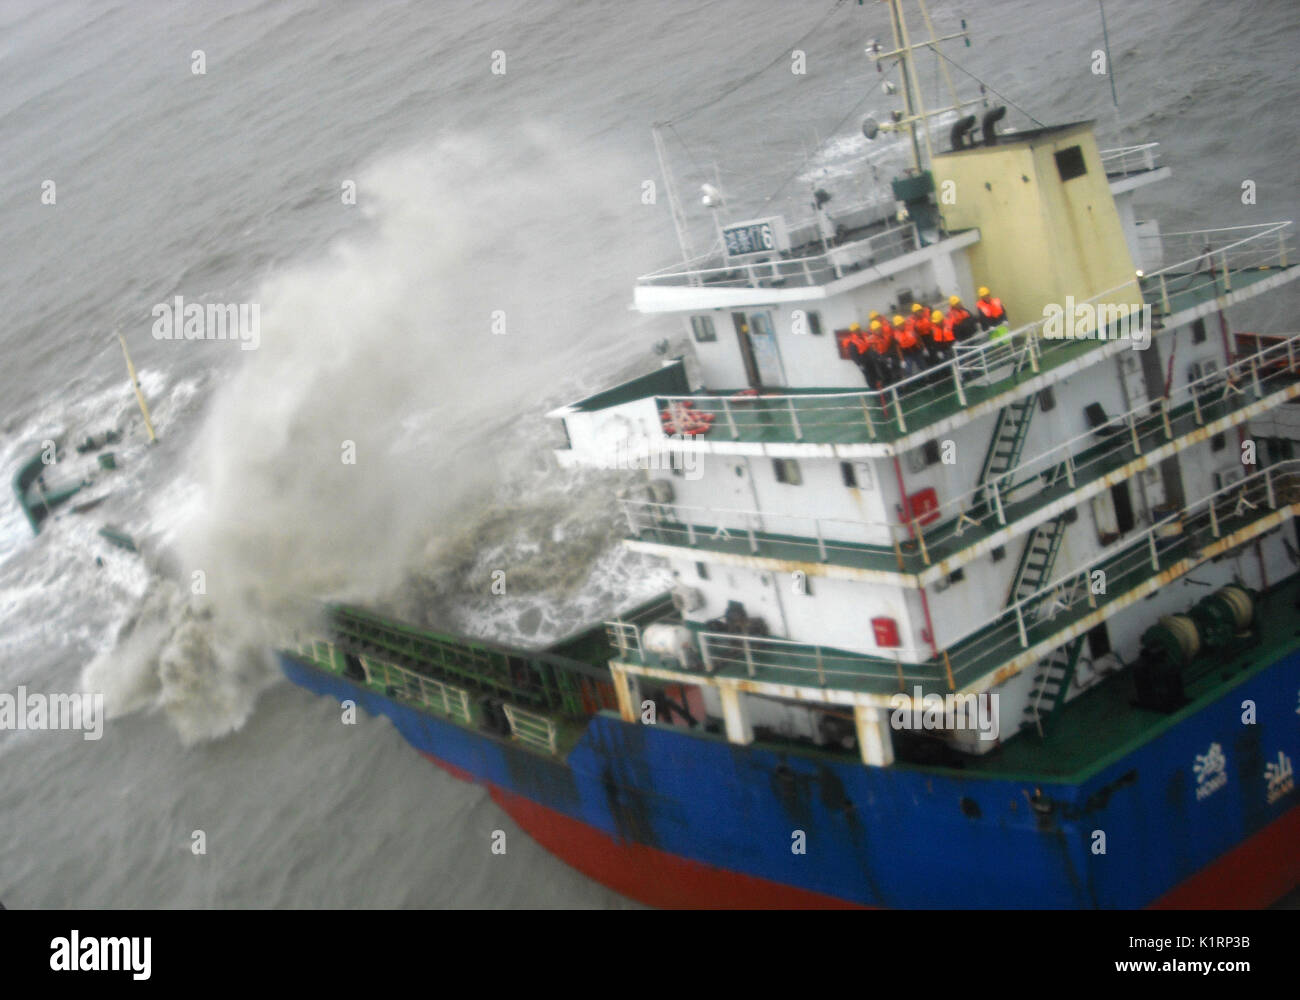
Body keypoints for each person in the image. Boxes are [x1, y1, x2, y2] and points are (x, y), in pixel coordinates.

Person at [892, 312, 923, 378]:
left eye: (901, 324)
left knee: (922, 365)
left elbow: (918, 337)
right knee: (908, 370)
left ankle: (928, 380)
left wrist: (923, 347)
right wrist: (902, 360)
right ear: (896, 326)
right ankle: (908, 384)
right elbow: (898, 349)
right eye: (898, 325)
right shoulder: (895, 335)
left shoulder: (911, 328)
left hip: (916, 350)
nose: (901, 326)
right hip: (907, 354)